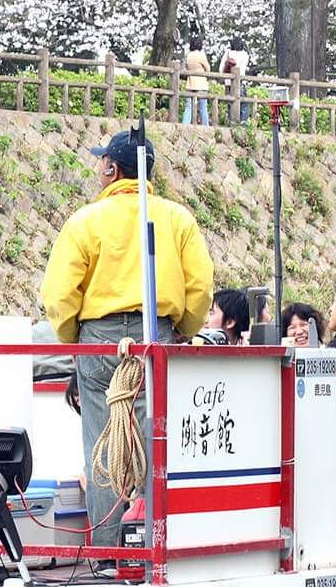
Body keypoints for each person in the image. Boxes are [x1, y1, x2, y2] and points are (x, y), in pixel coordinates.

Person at [40, 127, 214, 552]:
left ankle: (107, 553)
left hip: (100, 344)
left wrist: (73, 339)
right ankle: (155, 547)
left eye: (102, 163)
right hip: (159, 337)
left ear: (112, 169)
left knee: (104, 447)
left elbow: (59, 296)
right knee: (155, 443)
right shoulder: (177, 219)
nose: (98, 170)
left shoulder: (85, 220)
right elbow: (201, 290)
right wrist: (184, 331)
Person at [219, 37, 250, 123]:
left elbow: (221, 69)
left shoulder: (227, 53)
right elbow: (243, 68)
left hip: (228, 82)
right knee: (244, 103)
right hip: (240, 82)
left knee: (230, 103)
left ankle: (231, 121)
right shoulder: (244, 55)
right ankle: (243, 122)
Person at [181, 37, 211, 125]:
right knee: (203, 107)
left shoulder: (188, 55)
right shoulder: (201, 55)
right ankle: (205, 125)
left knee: (188, 107)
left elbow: (185, 68)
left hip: (190, 83)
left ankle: (184, 124)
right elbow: (208, 69)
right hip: (201, 83)